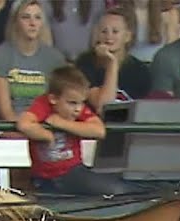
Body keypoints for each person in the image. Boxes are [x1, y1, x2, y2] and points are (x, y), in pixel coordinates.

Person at [16, 63, 138, 196]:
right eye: (72, 103)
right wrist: (46, 135)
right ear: (53, 99)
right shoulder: (42, 104)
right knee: (117, 191)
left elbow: (99, 130)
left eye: (82, 103)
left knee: (119, 191)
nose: (78, 109)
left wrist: (61, 123)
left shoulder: (76, 109)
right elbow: (24, 124)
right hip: (44, 179)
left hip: (73, 171)